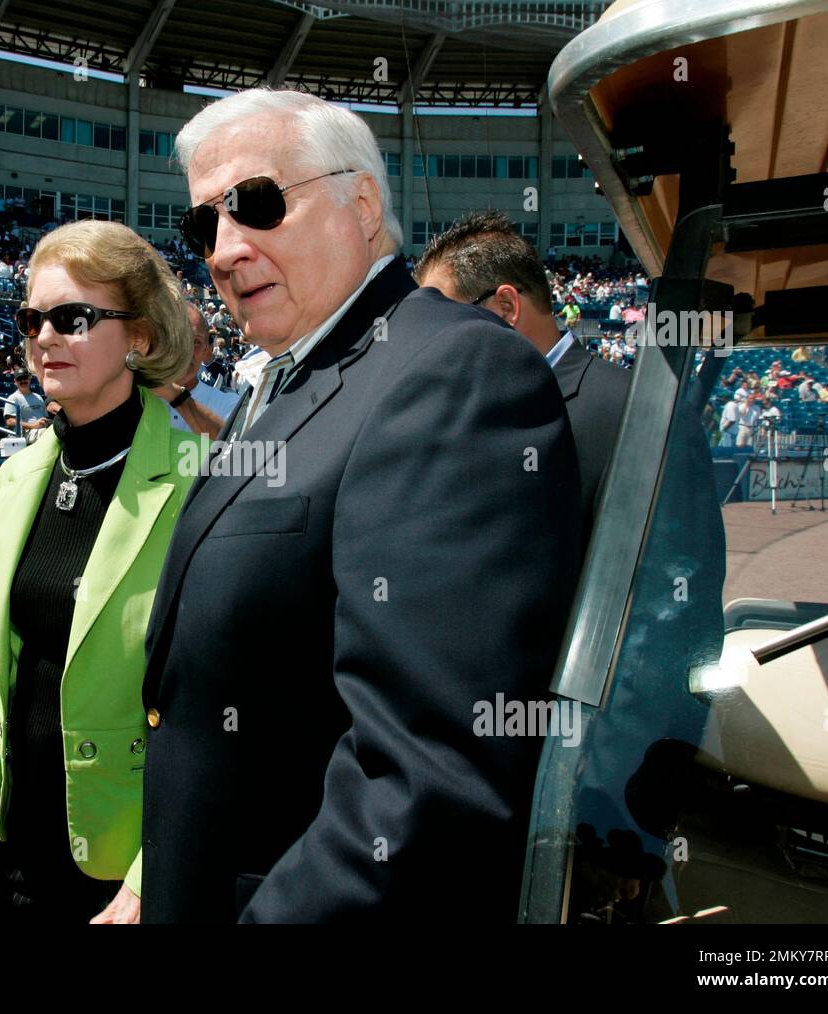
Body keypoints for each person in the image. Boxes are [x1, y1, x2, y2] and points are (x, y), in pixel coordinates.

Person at [138, 87, 582, 923]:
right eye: (204, 225)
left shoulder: (452, 374)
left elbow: (428, 776)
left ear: (364, 204)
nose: (226, 249)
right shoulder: (289, 372)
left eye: (255, 205)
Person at [0, 219, 196, 925]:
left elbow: (219, 708)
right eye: (32, 319)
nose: (44, 337)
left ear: (138, 336)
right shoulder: (18, 478)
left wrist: (154, 869)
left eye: (73, 318)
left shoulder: (201, 483)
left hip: (128, 873)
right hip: (16, 854)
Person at [415, 211, 629, 526]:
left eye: (445, 322)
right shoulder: (456, 413)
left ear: (506, 307)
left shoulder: (631, 407)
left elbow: (681, 561)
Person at [153, 301, 242, 438]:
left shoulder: (229, 405)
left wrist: (176, 396)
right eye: (176, 339)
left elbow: (237, 449)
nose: (186, 351)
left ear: (206, 350)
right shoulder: (132, 396)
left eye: (196, 342)